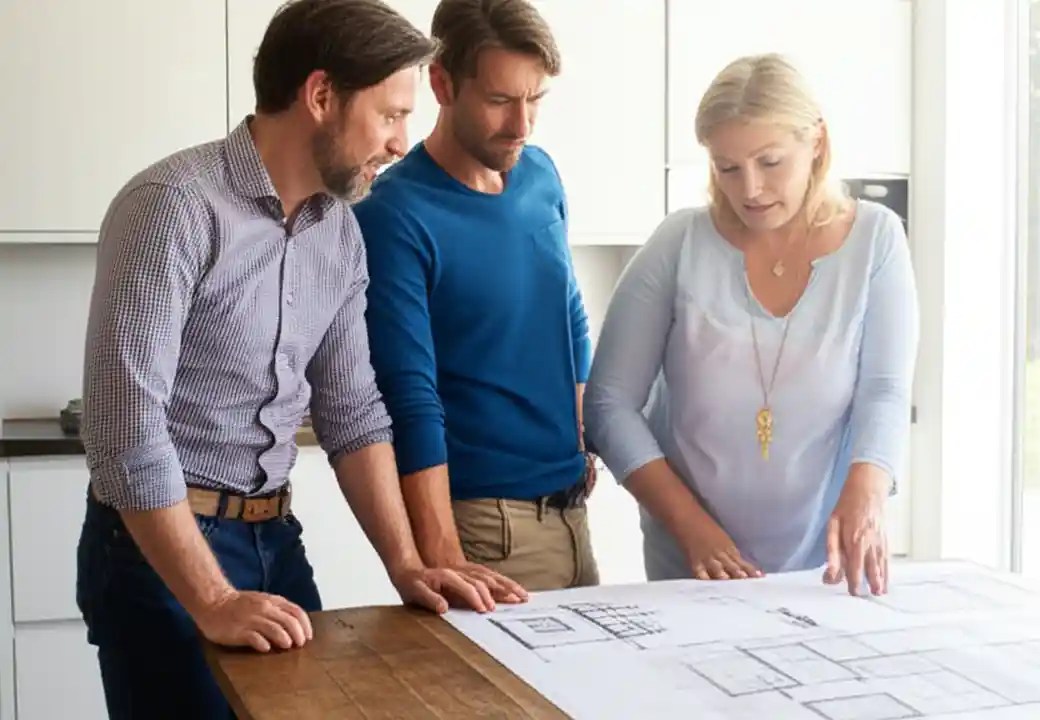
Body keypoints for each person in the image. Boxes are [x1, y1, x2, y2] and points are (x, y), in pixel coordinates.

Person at [74, 2, 501, 718]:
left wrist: (408, 565)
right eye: (391, 115)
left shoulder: (339, 232)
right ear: (322, 96)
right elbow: (124, 434)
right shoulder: (173, 206)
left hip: (274, 537)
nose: (402, 142)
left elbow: (354, 412)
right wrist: (211, 598)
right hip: (161, 552)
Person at [583, 53, 919, 596]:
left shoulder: (876, 240)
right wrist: (692, 529)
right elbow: (607, 406)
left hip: (822, 570)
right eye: (728, 168)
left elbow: (884, 389)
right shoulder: (678, 244)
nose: (751, 189)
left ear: (816, 142)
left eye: (770, 161)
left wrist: (868, 489)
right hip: (690, 568)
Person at [353, 0, 599, 595]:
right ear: (441, 83)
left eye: (534, 99)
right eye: (498, 101)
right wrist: (440, 554)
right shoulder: (394, 215)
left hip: (572, 513)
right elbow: (409, 396)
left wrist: (584, 432)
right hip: (488, 530)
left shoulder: (541, 176)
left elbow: (566, 312)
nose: (522, 124)